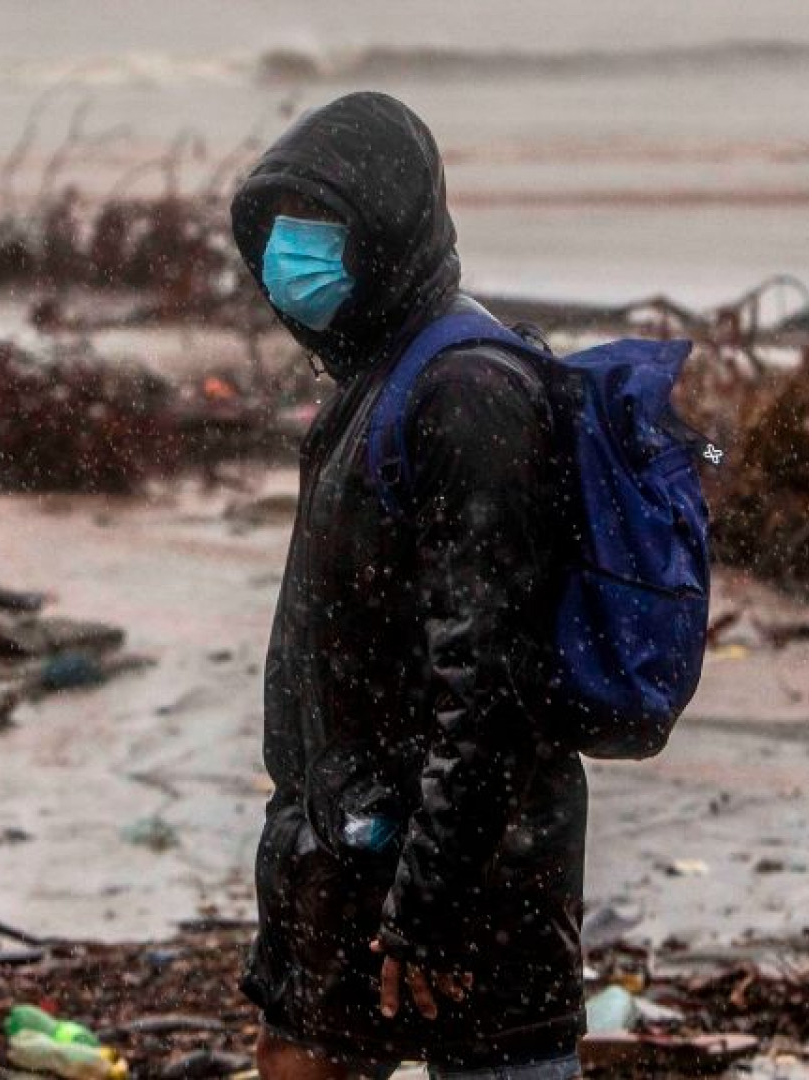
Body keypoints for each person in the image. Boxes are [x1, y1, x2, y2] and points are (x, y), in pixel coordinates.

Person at [229, 92, 586, 1080]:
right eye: (279, 232)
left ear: (388, 230)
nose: (290, 262)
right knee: (294, 1056)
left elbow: (492, 684)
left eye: (323, 231)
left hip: (466, 883)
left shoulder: (467, 394)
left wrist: (427, 907)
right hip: (348, 849)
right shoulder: (378, 374)